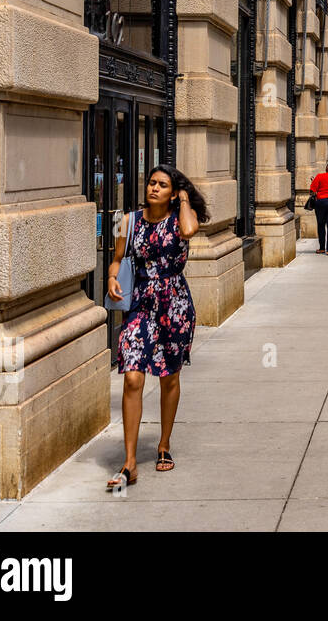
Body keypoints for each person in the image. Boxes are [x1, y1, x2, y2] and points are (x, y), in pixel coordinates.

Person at [106, 164, 208, 490]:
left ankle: (164, 443)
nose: (154, 188)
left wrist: (184, 200)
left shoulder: (180, 221)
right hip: (139, 304)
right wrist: (110, 277)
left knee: (169, 377)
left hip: (175, 306)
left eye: (162, 185)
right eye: (151, 182)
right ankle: (130, 462)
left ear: (172, 191)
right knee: (133, 378)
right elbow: (117, 257)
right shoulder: (129, 221)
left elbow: (190, 230)